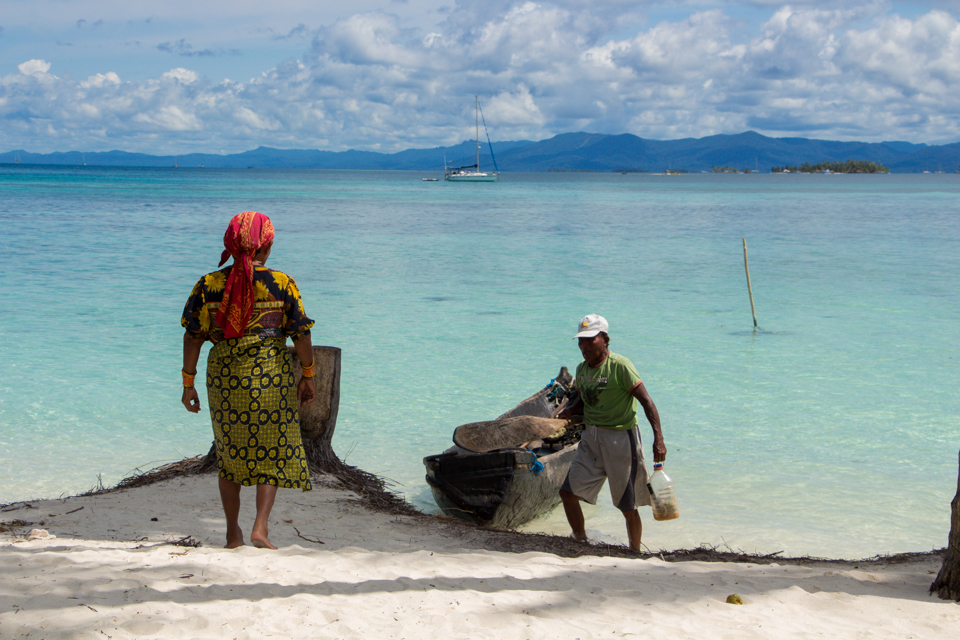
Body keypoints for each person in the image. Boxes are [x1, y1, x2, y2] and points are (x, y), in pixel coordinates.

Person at [180, 211, 316, 550]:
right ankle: (260, 527)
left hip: (225, 379)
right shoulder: (282, 283)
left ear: (230, 245)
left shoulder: (208, 285)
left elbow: (193, 336)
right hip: (270, 376)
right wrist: (308, 374)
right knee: (272, 450)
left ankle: (232, 534)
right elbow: (300, 333)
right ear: (265, 246)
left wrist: (188, 382)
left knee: (229, 456)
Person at [557, 314, 667, 550]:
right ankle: (580, 540)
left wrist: (659, 439)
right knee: (568, 493)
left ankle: (634, 551)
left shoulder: (620, 366)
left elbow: (647, 402)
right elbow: (584, 402)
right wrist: (569, 412)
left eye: (590, 340)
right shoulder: (582, 369)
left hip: (621, 440)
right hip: (591, 438)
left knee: (628, 505)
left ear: (605, 339)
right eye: (581, 341)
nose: (584, 346)